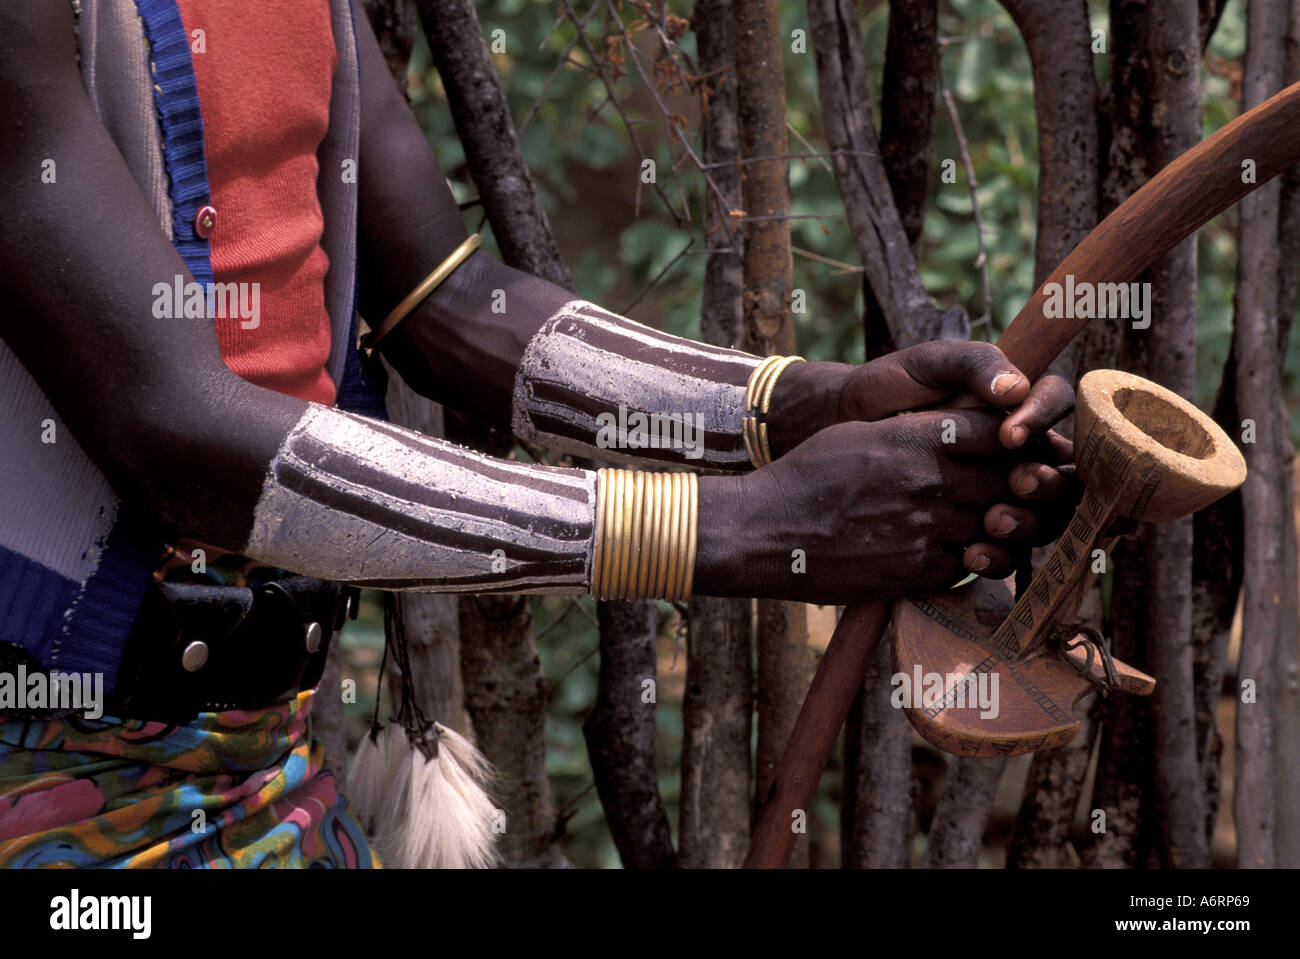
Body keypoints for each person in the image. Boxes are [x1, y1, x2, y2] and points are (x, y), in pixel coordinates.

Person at [0, 0, 1076, 867]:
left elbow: (447, 305)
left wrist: (804, 405)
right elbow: (175, 430)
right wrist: (739, 524)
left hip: (256, 765)